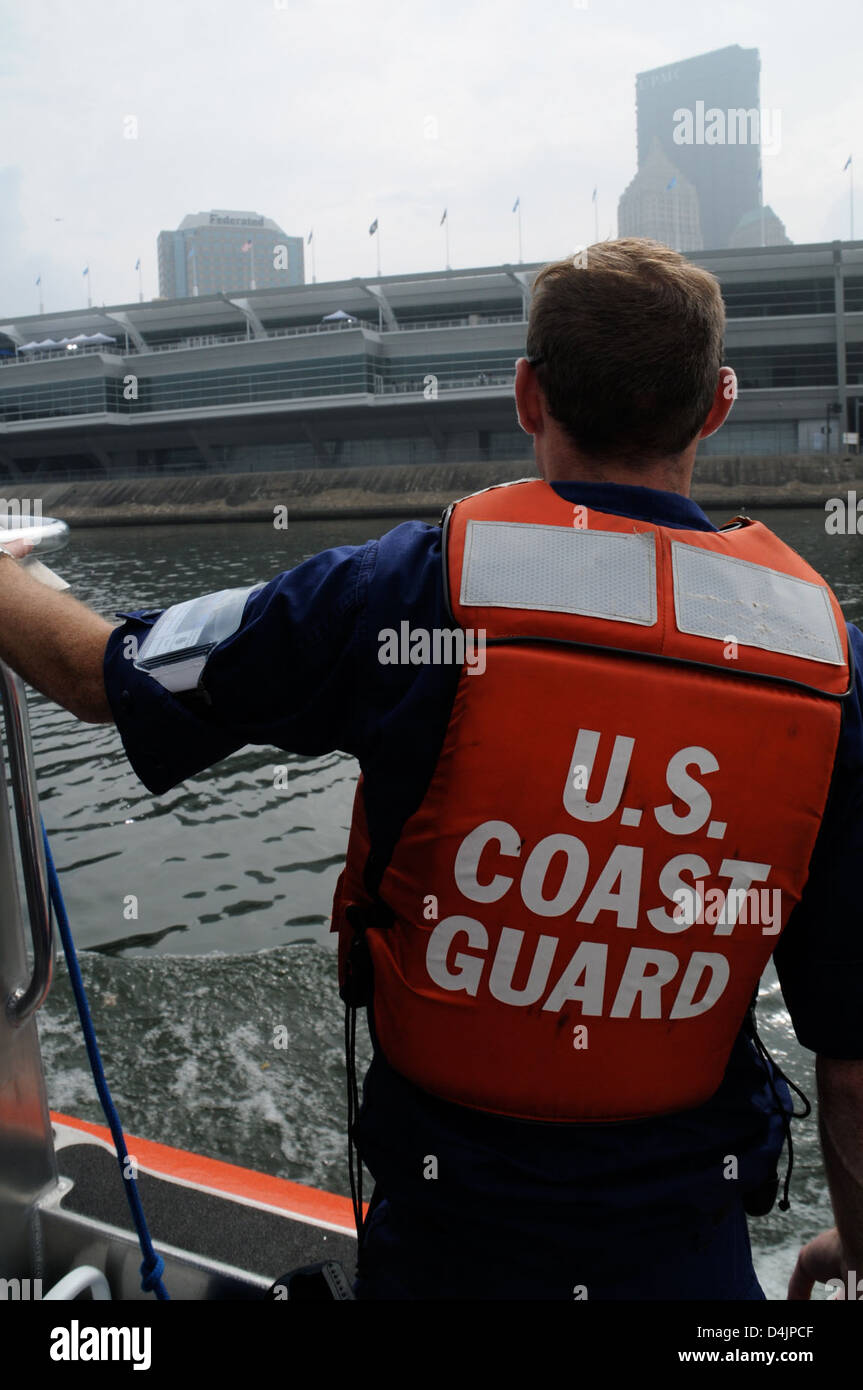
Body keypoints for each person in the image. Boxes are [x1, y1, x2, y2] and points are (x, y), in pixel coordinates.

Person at [0, 238, 861, 1302]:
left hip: (446, 1242)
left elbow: (102, 675)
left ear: (525, 393)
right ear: (717, 404)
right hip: (686, 1253)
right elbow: (852, 1055)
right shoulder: (827, 664)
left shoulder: (408, 591)